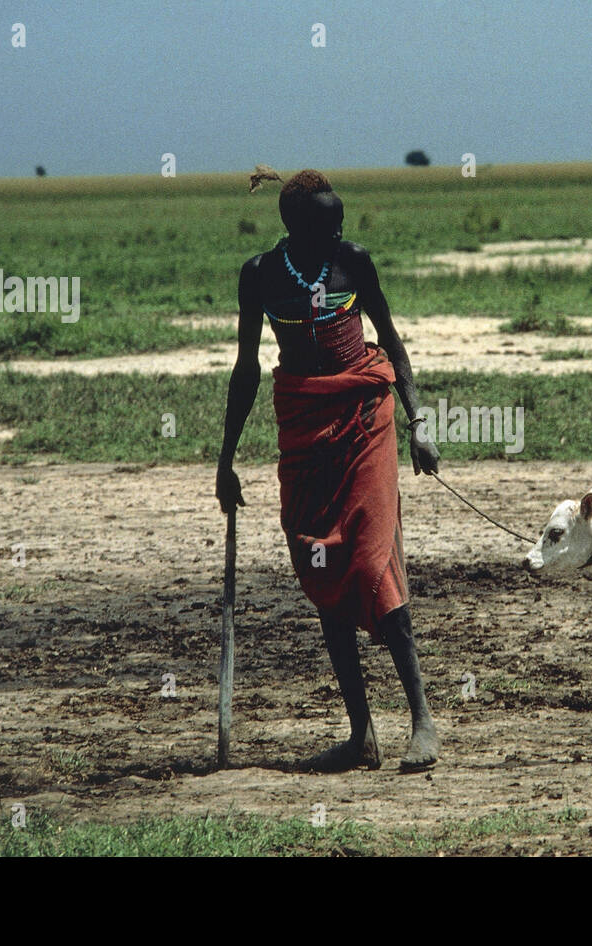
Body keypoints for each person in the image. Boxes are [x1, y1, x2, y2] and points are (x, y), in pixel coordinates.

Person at [216, 168, 441, 772]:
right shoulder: (260, 276)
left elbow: (391, 342)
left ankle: (422, 722)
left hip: (366, 419)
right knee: (324, 568)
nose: (339, 229)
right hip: (304, 430)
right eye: (327, 222)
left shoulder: (353, 263)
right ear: (295, 225)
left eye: (341, 219)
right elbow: (246, 369)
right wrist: (226, 458)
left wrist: (420, 424)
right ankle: (360, 734)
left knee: (371, 562)